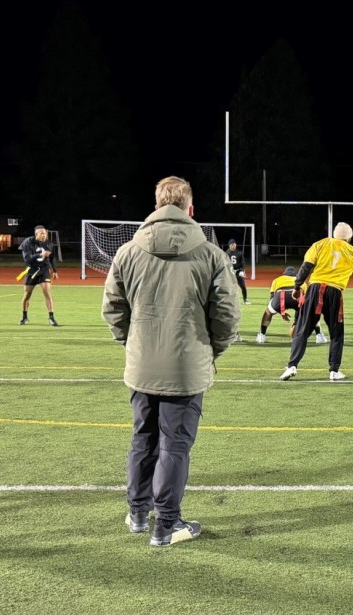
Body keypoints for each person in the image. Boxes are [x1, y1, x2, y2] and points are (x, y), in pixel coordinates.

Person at [101, 175, 241, 547]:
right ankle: (166, 524)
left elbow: (113, 309)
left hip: (142, 364)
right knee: (174, 445)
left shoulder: (128, 251)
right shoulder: (211, 254)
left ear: (157, 206)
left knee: (142, 439)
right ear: (190, 209)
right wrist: (213, 349)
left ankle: (137, 514)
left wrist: (132, 344)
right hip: (186, 366)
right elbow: (227, 313)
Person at [279, 223, 353, 382]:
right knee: (336, 333)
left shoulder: (320, 244)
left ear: (334, 234)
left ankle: (292, 366)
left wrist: (297, 286)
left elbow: (306, 267)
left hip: (314, 289)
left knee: (302, 329)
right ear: (349, 237)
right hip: (334, 292)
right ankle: (334, 371)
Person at [255, 265, 323, 344]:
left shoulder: (276, 280)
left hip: (280, 297)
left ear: (284, 274)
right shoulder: (301, 281)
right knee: (312, 314)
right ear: (295, 274)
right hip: (298, 299)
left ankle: (262, 335)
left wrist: (281, 311)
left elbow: (272, 298)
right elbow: (306, 297)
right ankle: (319, 335)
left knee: (268, 312)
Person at [18, 225, 59, 326]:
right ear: (36, 234)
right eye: (42, 233)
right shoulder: (28, 242)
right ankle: (24, 317)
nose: (44, 235)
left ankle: (51, 318)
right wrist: (40, 255)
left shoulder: (49, 243)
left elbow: (51, 257)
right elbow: (27, 259)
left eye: (45, 233)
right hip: (31, 270)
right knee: (27, 294)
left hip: (44, 270)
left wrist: (54, 270)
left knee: (47, 292)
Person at [226, 239, 249, 304]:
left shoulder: (239, 253)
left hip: (238, 271)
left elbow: (243, 263)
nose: (233, 246)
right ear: (229, 245)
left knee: (243, 286)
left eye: (234, 245)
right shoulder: (226, 253)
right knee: (228, 287)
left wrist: (242, 270)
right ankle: (228, 300)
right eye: (232, 245)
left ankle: (245, 300)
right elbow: (224, 263)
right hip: (230, 272)